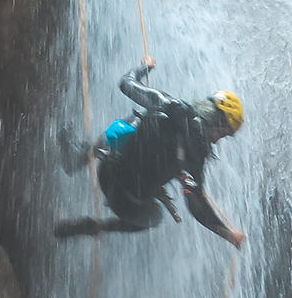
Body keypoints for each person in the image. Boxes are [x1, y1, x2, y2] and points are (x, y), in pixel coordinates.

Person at [55, 56, 246, 249]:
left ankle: (79, 155)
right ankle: (98, 226)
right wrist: (228, 234)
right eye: (222, 134)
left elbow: (126, 84)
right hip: (128, 204)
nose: (216, 140)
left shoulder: (170, 105)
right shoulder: (197, 157)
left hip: (107, 173)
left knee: (136, 121)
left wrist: (144, 67)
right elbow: (198, 208)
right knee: (155, 217)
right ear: (219, 123)